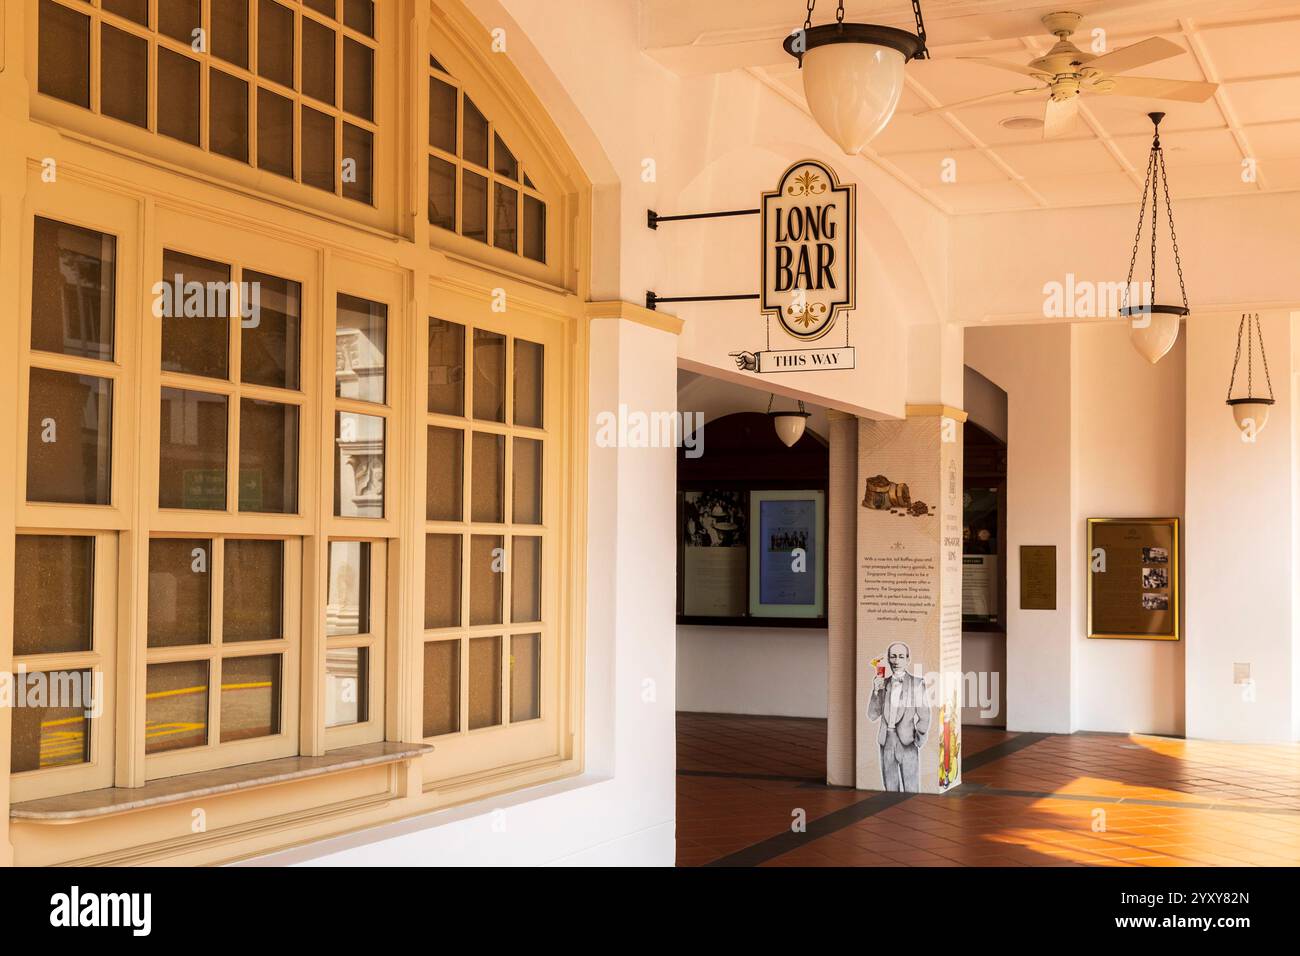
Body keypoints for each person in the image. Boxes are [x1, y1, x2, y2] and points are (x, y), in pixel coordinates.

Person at [867, 642, 931, 792]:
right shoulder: (883, 682)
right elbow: (872, 715)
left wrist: (918, 739)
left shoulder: (917, 683)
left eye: (901, 657)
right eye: (893, 657)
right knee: (890, 786)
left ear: (908, 660)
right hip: (886, 741)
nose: (896, 661)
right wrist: (876, 691)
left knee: (911, 787)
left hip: (908, 742)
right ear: (888, 659)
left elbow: (925, 715)